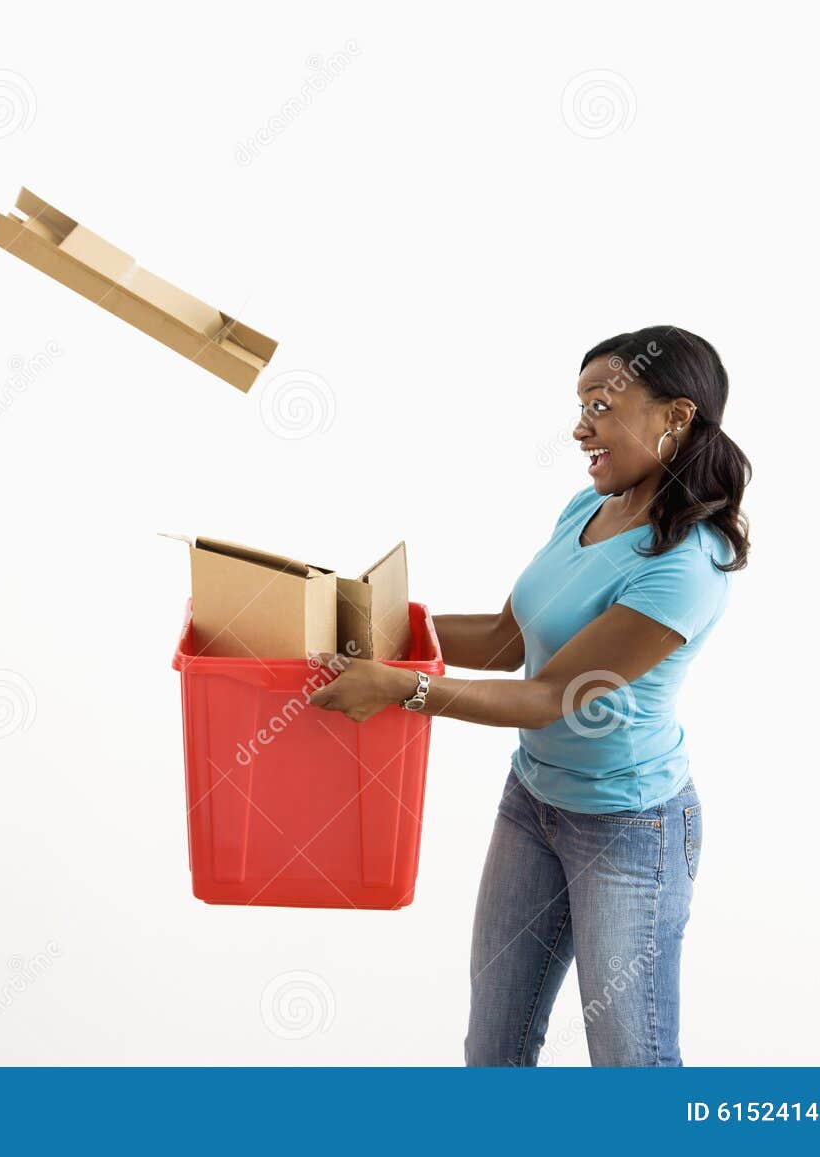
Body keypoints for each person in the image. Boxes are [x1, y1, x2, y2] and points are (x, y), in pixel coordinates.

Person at [310, 326, 750, 1066]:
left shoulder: (687, 565)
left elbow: (551, 695)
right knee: (494, 1048)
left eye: (601, 405)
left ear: (675, 416)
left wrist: (398, 689)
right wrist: (368, 622)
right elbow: (506, 637)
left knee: (631, 1061)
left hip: (628, 826)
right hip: (534, 803)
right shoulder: (587, 507)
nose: (581, 428)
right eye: (581, 405)